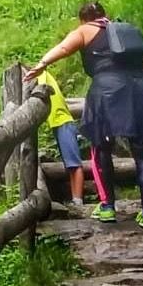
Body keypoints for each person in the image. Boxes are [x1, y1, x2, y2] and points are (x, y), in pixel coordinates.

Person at [25, 1, 143, 231]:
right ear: (105, 15)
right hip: (142, 91)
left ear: (83, 19)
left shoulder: (85, 30)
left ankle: (108, 206)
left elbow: (63, 49)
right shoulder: (126, 31)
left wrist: (41, 64)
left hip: (108, 92)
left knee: (101, 145)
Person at [34, 70, 85, 207]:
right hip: (58, 124)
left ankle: (78, 199)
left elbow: (41, 89)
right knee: (70, 165)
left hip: (63, 122)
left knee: (74, 163)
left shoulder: (41, 74)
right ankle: (76, 198)